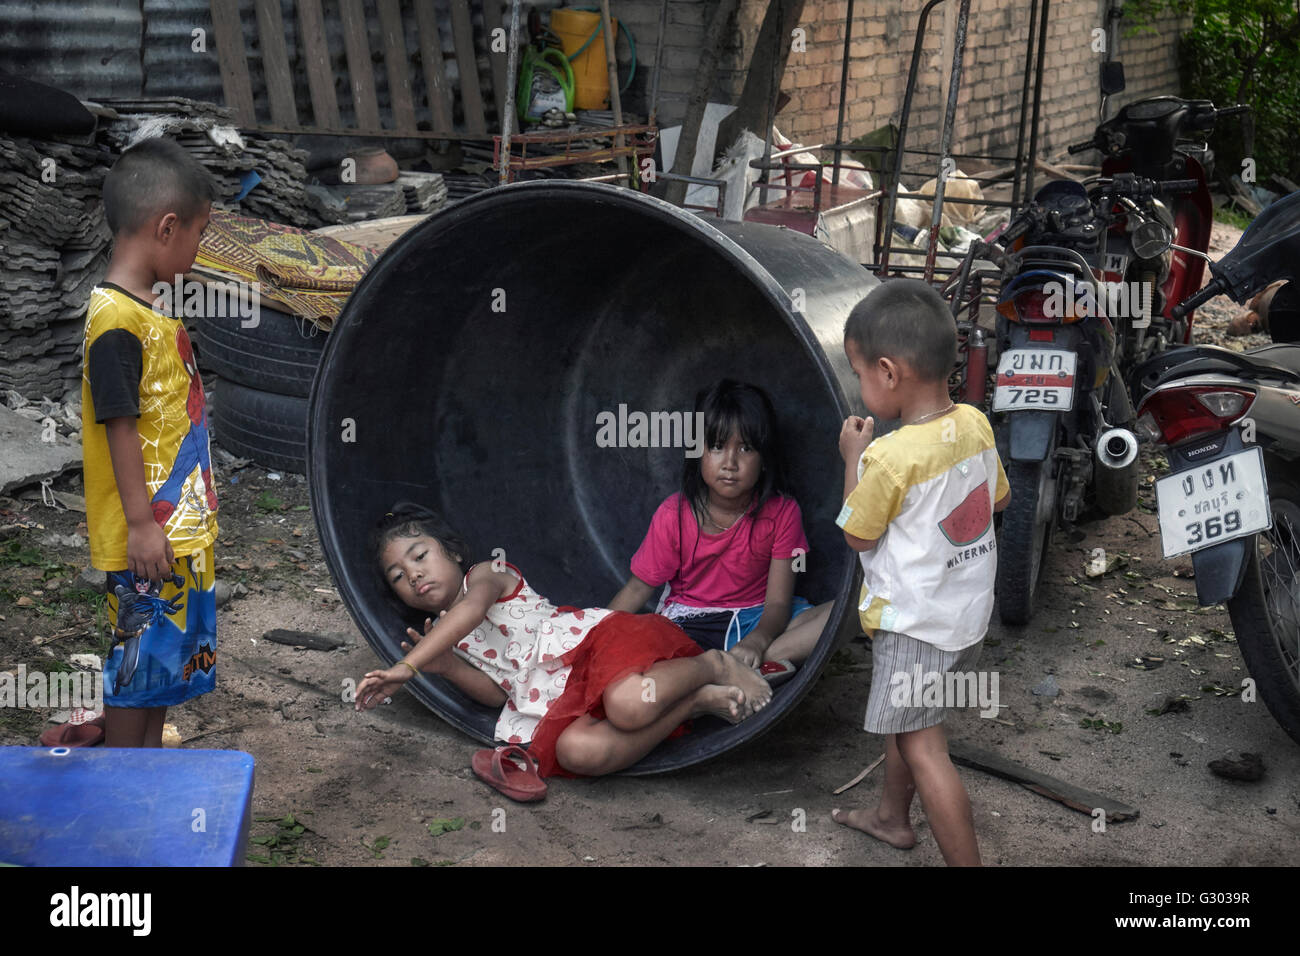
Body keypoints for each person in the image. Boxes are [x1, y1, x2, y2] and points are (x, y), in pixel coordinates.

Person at [354, 504, 774, 783]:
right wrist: (447, 667)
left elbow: (472, 610)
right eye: (398, 576)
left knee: (627, 706)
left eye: (420, 556)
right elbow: (501, 693)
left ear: (453, 552)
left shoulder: (484, 575)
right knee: (576, 753)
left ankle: (715, 664)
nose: (413, 574)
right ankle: (694, 703)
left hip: (598, 648)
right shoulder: (450, 637)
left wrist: (406, 667)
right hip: (562, 700)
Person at [830, 280, 1009, 866]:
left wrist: (853, 459)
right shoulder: (976, 424)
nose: (860, 385)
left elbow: (858, 534)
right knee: (910, 720)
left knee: (924, 746)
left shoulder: (889, 457)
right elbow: (998, 500)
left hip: (914, 626)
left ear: (887, 372)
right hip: (964, 618)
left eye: (859, 373)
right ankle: (891, 817)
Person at [82, 136, 220, 747]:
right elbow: (118, 424)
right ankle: (122, 776)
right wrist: (140, 524)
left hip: (180, 531)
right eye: (198, 234)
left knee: (164, 671)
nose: (199, 249)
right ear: (167, 227)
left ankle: (146, 771)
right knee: (136, 665)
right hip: (151, 535)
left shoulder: (151, 308)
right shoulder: (116, 321)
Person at [607, 380, 831, 674]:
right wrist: (592, 636)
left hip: (758, 619)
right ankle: (732, 670)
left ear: (764, 459)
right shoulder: (674, 515)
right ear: (697, 451)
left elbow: (778, 603)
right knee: (647, 655)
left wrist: (757, 641)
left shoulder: (783, 513)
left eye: (746, 448)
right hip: (691, 625)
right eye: (716, 446)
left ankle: (745, 665)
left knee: (844, 612)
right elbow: (637, 588)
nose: (730, 463)